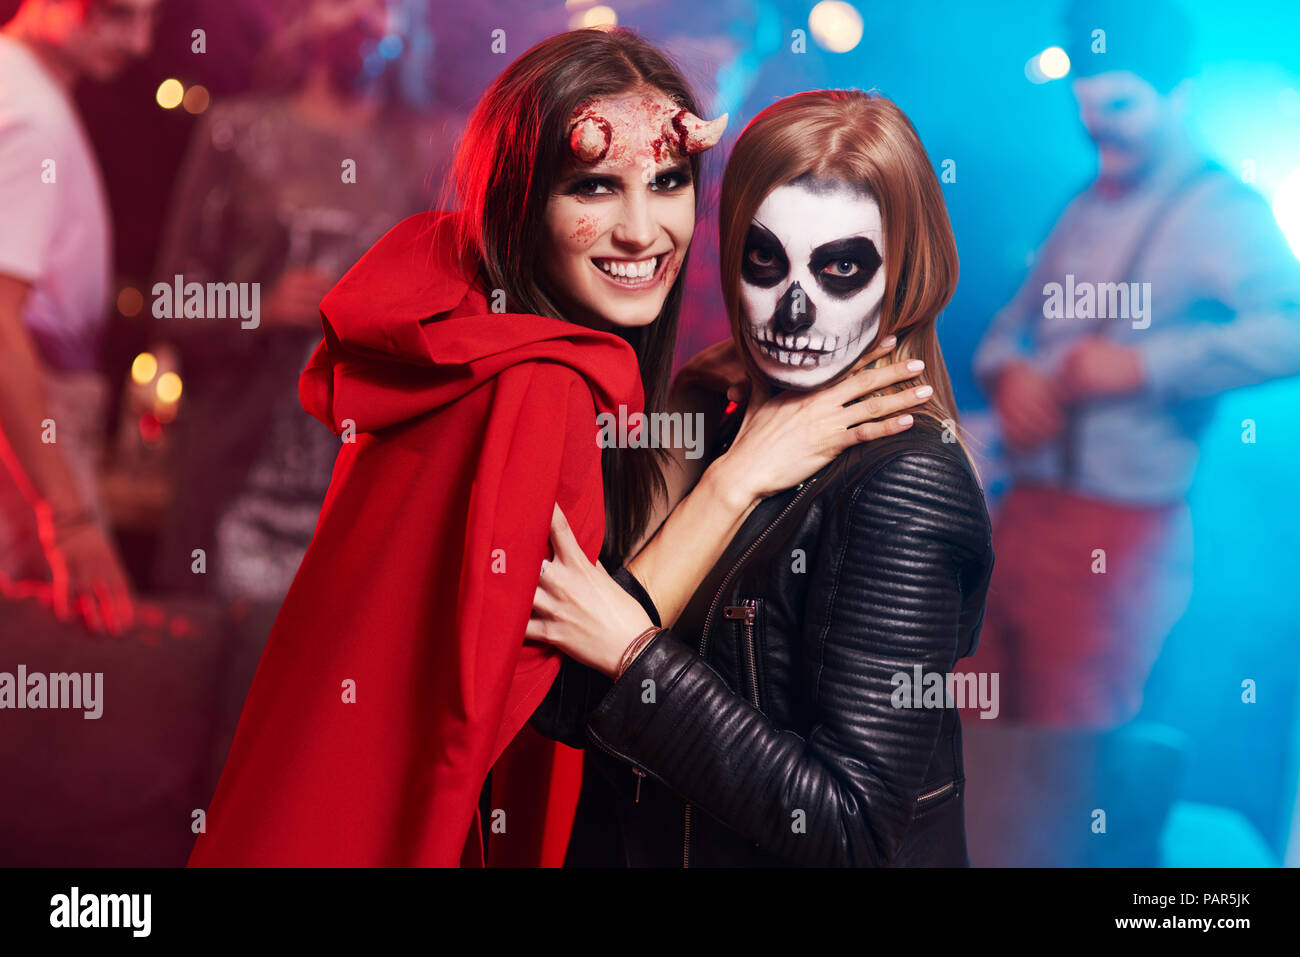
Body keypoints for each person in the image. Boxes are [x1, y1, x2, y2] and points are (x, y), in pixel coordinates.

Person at [187, 30, 928, 868]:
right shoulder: (539, 383)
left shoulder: (472, 324)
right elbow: (553, 688)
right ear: (521, 199)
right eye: (595, 187)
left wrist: (683, 399)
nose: (641, 231)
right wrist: (736, 478)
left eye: (669, 182)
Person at [528, 89, 995, 867]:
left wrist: (638, 655)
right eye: (765, 262)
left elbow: (850, 829)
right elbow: (564, 698)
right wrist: (704, 442)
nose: (795, 311)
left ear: (906, 274)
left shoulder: (904, 482)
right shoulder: (721, 420)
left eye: (842, 267)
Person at [959, 0, 1300, 729]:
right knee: (970, 741)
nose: (1097, 124)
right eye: (1085, 104)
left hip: (1119, 533)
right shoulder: (1083, 201)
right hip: (1016, 511)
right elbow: (1004, 333)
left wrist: (1144, 365)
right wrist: (1009, 374)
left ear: (1180, 95)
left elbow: (1293, 329)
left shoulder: (1223, 210)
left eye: (1119, 103)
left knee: (1062, 768)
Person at [0, 0, 162, 634]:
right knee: (64, 649)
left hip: (30, 425)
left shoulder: (21, 89)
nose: (140, 43)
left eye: (152, 19)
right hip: (30, 429)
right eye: (117, 13)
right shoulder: (31, 114)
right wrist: (65, 515)